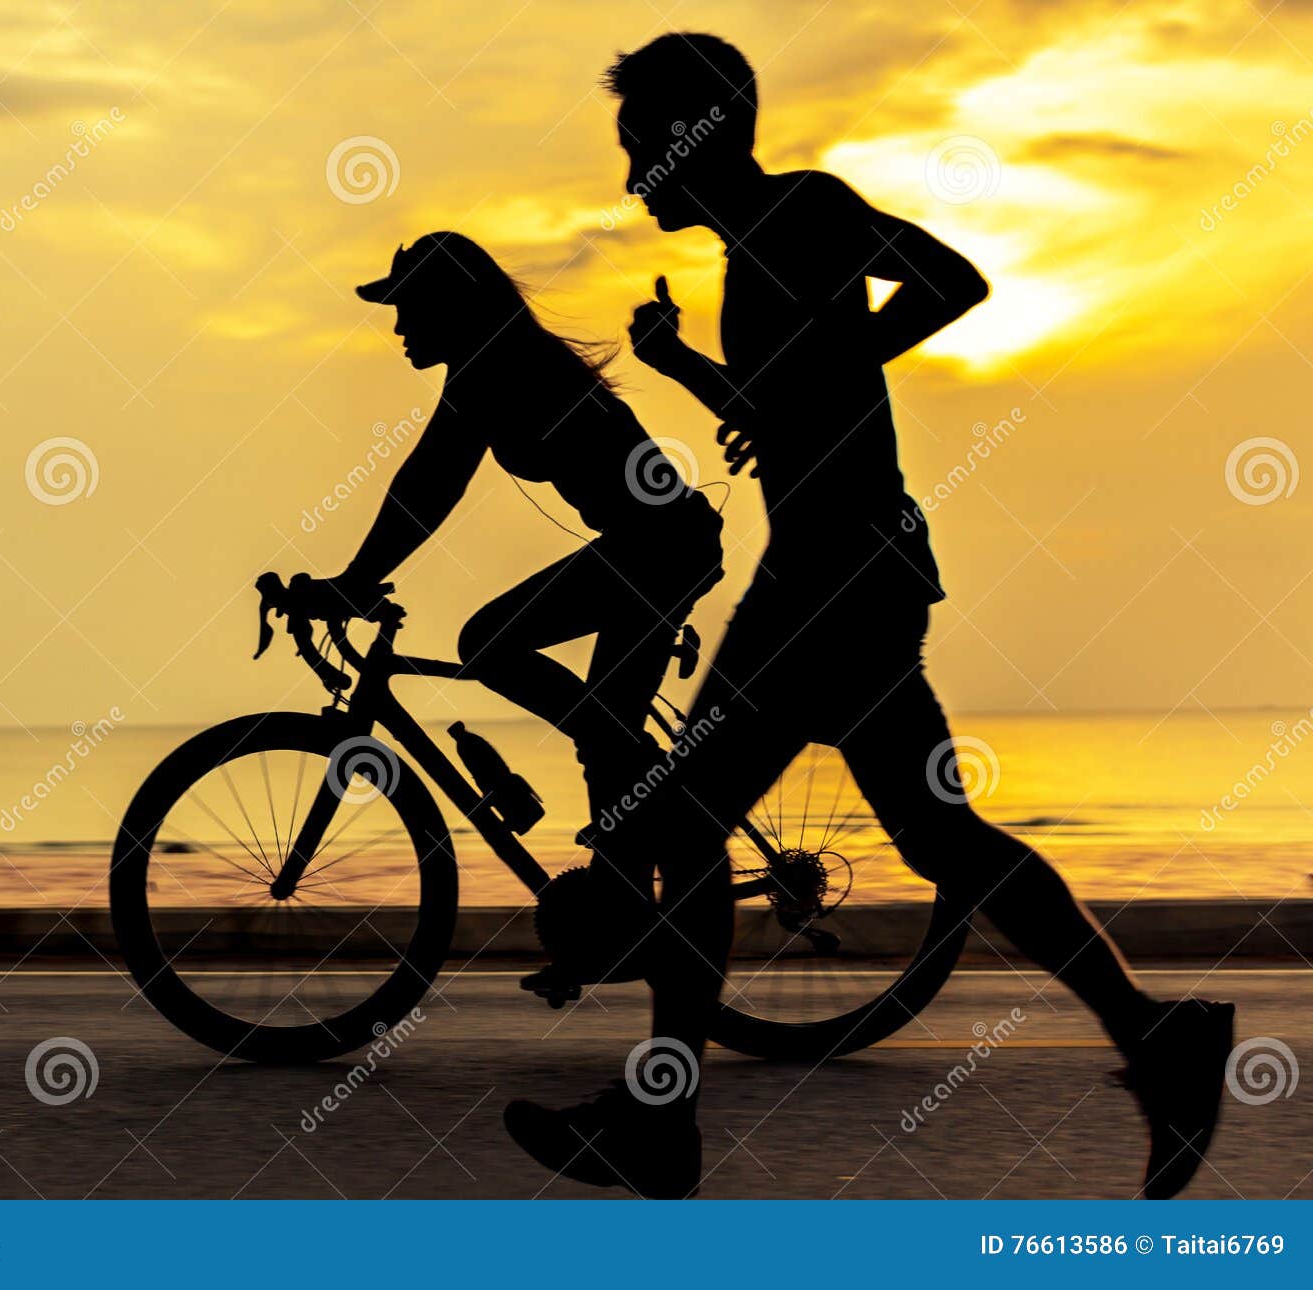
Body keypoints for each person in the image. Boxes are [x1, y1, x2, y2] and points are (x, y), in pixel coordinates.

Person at [504, 32, 1234, 1201]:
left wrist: (834, 366)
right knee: (936, 841)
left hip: (831, 582)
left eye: (643, 145)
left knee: (692, 825)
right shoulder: (763, 240)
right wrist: (702, 368)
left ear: (696, 136)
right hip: (843, 574)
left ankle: (662, 1119)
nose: (632, 175)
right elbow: (791, 391)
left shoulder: (800, 211)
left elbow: (952, 283)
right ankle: (1155, 1037)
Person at [304, 232, 723, 911]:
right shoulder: (489, 363)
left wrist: (355, 582)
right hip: (651, 545)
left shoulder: (495, 369)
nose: (400, 325)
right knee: (606, 737)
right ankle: (624, 909)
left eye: (409, 308)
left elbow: (429, 485)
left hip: (661, 548)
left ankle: (642, 863)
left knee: (496, 648)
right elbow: (426, 484)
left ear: (451, 308)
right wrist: (355, 578)